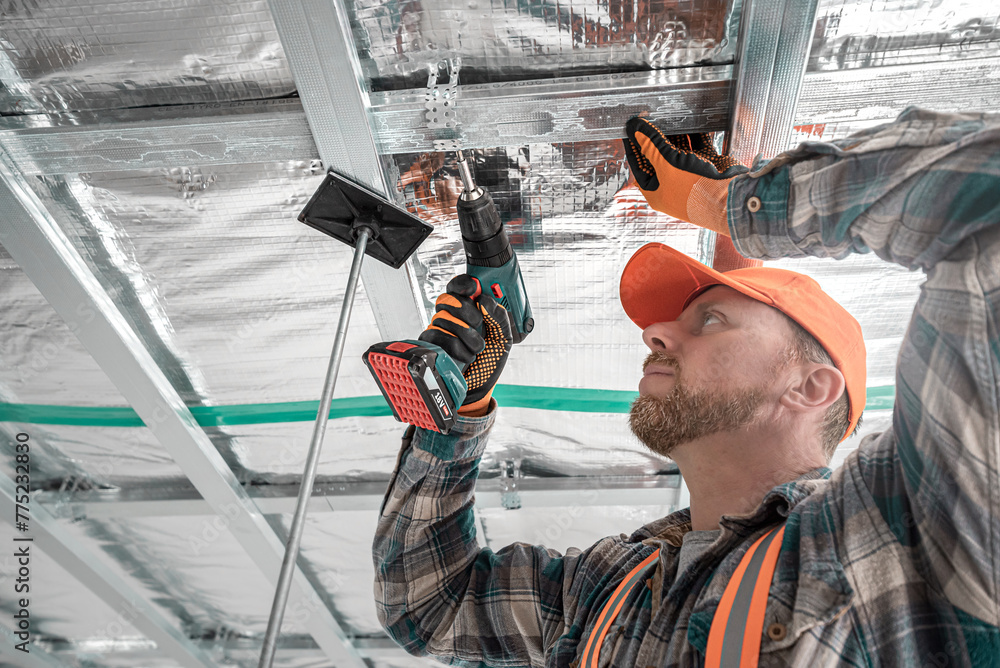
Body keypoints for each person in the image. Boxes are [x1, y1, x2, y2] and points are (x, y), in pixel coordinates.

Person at [372, 107, 1000, 666]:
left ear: (811, 387)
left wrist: (738, 204)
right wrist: (465, 400)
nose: (656, 334)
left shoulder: (901, 532)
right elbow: (435, 603)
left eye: (711, 320)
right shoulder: (610, 589)